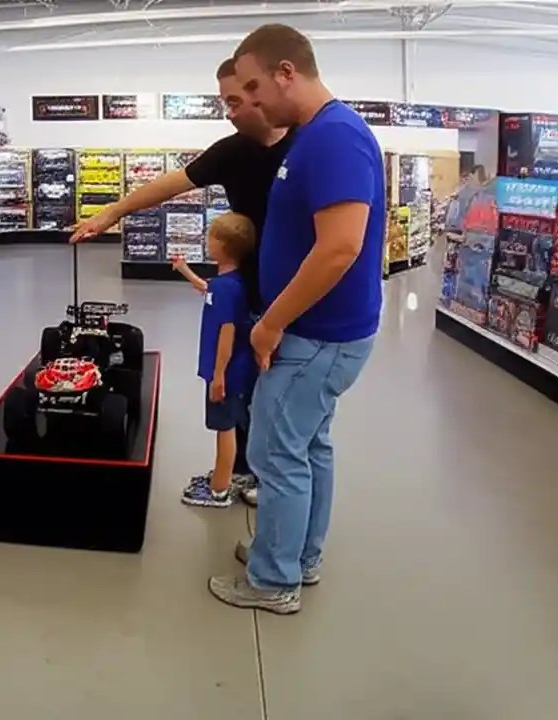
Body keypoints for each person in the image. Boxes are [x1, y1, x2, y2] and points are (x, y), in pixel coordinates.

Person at [207, 24, 385, 615]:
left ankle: (273, 579)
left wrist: (270, 323)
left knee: (277, 453)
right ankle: (297, 556)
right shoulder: (314, 136)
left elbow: (339, 248)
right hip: (321, 335)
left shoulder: (335, 137)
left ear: (288, 72)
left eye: (256, 85)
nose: (250, 100)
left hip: (315, 336)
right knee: (309, 446)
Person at [71, 57, 293, 502]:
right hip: (251, 290)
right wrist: (112, 212)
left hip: (296, 294)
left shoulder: (309, 144)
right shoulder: (232, 150)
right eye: (224, 101)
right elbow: (172, 184)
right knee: (244, 386)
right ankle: (246, 472)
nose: (229, 110)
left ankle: (275, 483)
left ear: (265, 88)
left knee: (284, 397)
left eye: (236, 99)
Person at [171, 213, 259, 508]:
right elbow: (209, 290)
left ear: (221, 245)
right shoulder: (232, 283)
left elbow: (227, 332)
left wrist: (218, 374)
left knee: (224, 427)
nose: (207, 241)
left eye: (211, 237)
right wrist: (185, 271)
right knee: (239, 420)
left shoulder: (225, 288)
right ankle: (241, 472)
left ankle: (219, 489)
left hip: (226, 371)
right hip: (241, 368)